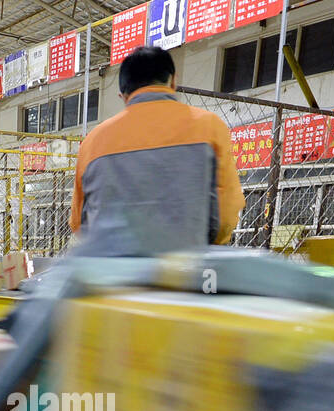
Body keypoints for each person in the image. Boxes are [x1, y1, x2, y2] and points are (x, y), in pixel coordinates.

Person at [69, 45, 243, 256]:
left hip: (114, 276)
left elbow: (79, 223)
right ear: (173, 81)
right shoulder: (210, 128)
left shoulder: (93, 142)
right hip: (186, 272)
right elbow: (226, 213)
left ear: (123, 95)